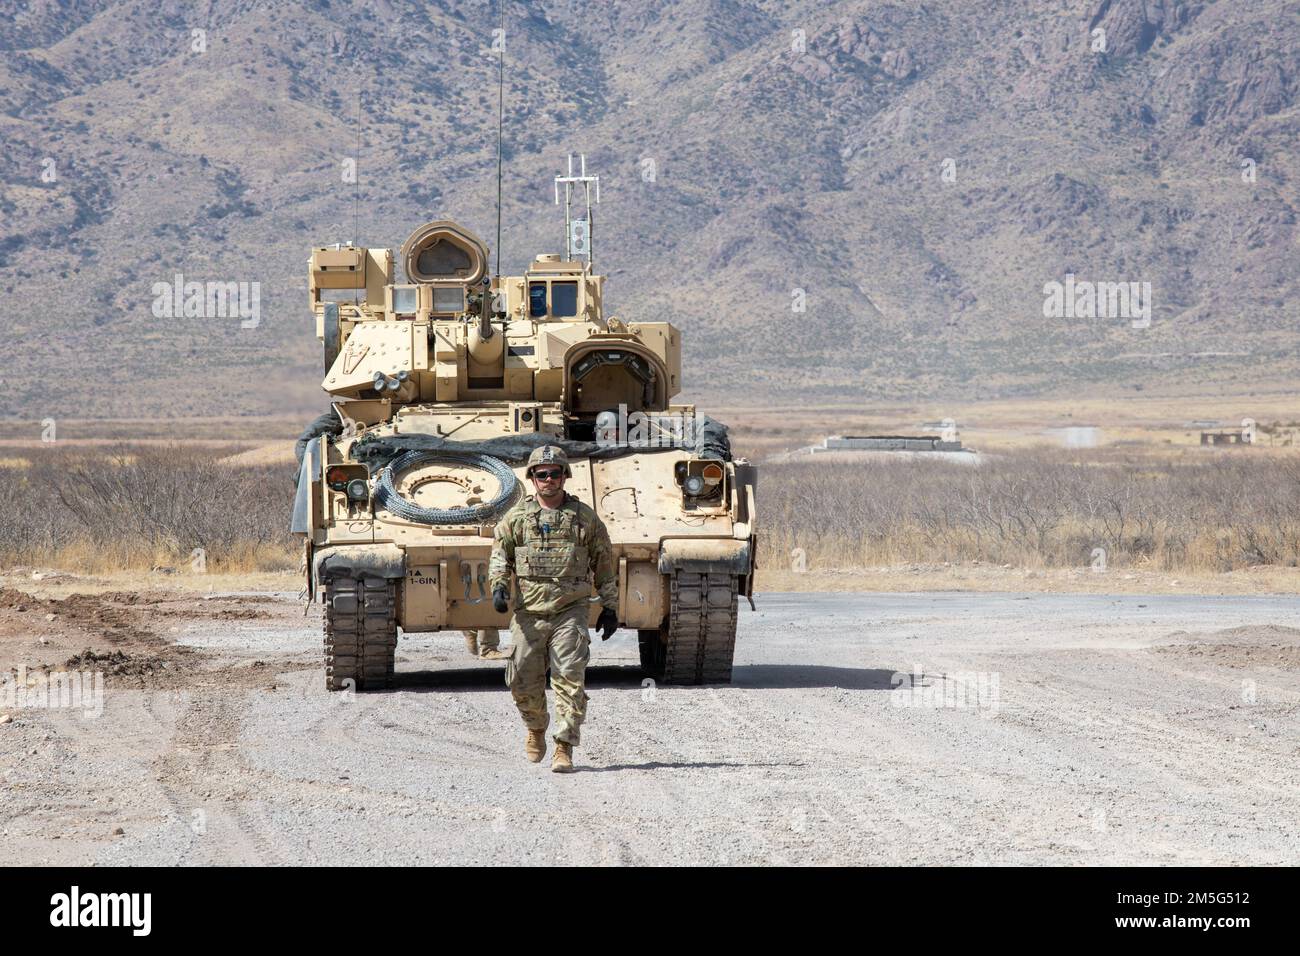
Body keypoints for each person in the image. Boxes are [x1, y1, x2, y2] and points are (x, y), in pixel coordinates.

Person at [488, 445, 618, 772]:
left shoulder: (584, 517)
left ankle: (564, 746)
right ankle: (536, 726)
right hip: (528, 611)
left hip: (569, 609)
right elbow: (500, 556)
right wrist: (500, 587)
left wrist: (610, 606)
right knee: (519, 676)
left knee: (570, 677)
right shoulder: (516, 517)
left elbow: (604, 563)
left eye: (555, 473)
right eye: (541, 474)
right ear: (532, 478)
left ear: (564, 476)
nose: (548, 480)